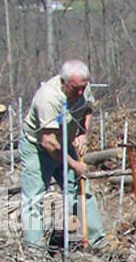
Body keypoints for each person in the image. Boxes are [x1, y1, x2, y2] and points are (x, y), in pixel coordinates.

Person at [20, 60, 104, 249]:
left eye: (83, 87)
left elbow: (88, 108)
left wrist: (83, 133)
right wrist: (74, 164)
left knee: (81, 189)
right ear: (64, 83)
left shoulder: (82, 87)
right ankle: (35, 253)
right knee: (34, 199)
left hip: (64, 142)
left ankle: (95, 243)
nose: (81, 93)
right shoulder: (48, 97)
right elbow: (48, 142)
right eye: (76, 89)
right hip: (39, 147)